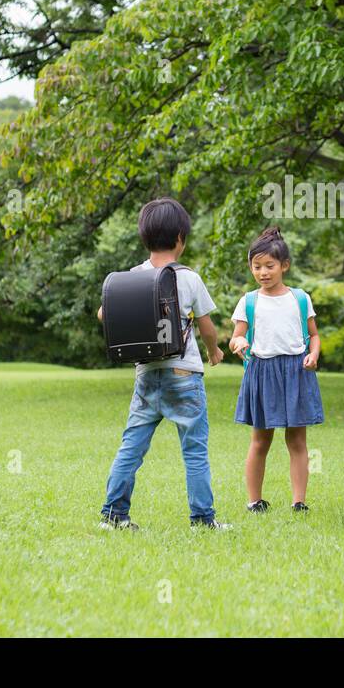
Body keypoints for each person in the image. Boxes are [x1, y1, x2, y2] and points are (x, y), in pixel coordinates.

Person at [97, 197, 231, 530]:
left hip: (146, 374)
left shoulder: (132, 277)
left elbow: (103, 314)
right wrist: (214, 351)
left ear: (145, 238)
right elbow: (205, 325)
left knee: (131, 446)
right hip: (184, 373)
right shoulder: (187, 277)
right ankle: (202, 519)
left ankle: (113, 516)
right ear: (180, 239)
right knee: (195, 451)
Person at [229, 227, 323, 513]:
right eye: (256, 267)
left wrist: (314, 354)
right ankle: (254, 500)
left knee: (297, 440)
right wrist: (239, 342)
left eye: (269, 266)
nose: (263, 272)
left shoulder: (300, 298)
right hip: (262, 372)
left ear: (284, 266)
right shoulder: (249, 301)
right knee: (260, 440)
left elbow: (314, 335)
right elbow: (236, 336)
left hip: (296, 371)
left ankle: (299, 502)